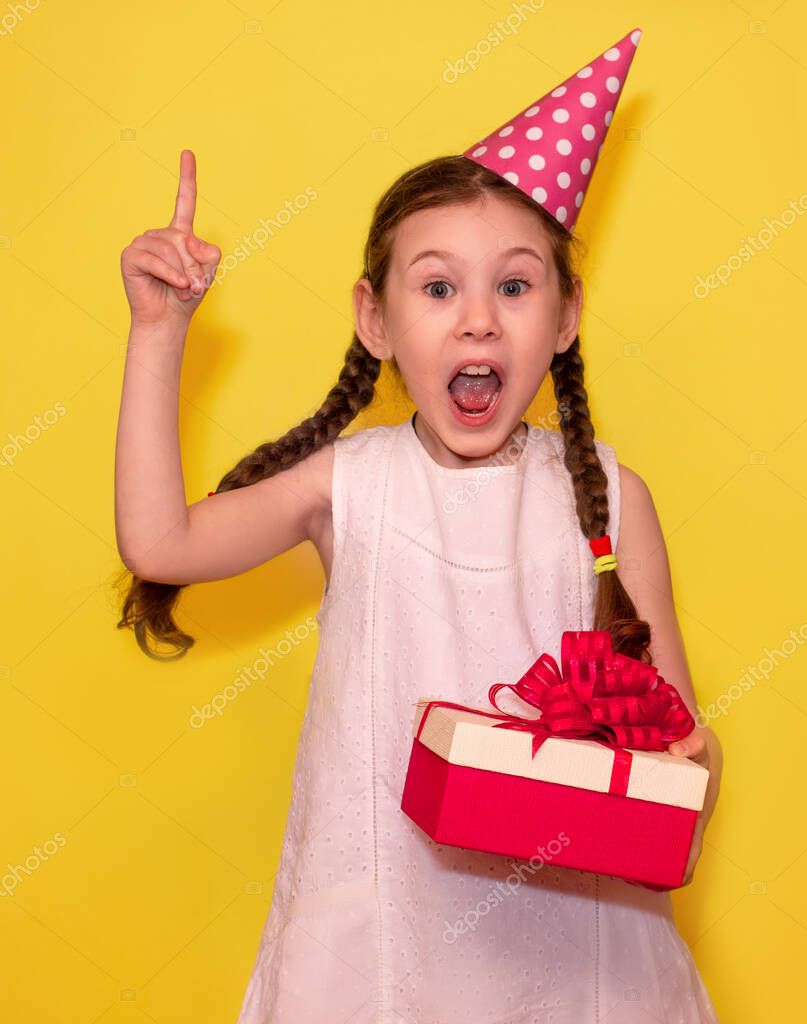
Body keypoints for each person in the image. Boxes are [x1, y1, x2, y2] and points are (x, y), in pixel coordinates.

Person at [115, 26, 722, 1023]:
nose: (477, 319)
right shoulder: (349, 484)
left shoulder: (610, 496)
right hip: (381, 953)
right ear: (376, 319)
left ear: (565, 316)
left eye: (513, 286)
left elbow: (686, 751)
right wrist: (157, 332)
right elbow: (159, 543)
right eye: (437, 287)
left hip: (578, 962)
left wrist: (670, 776)